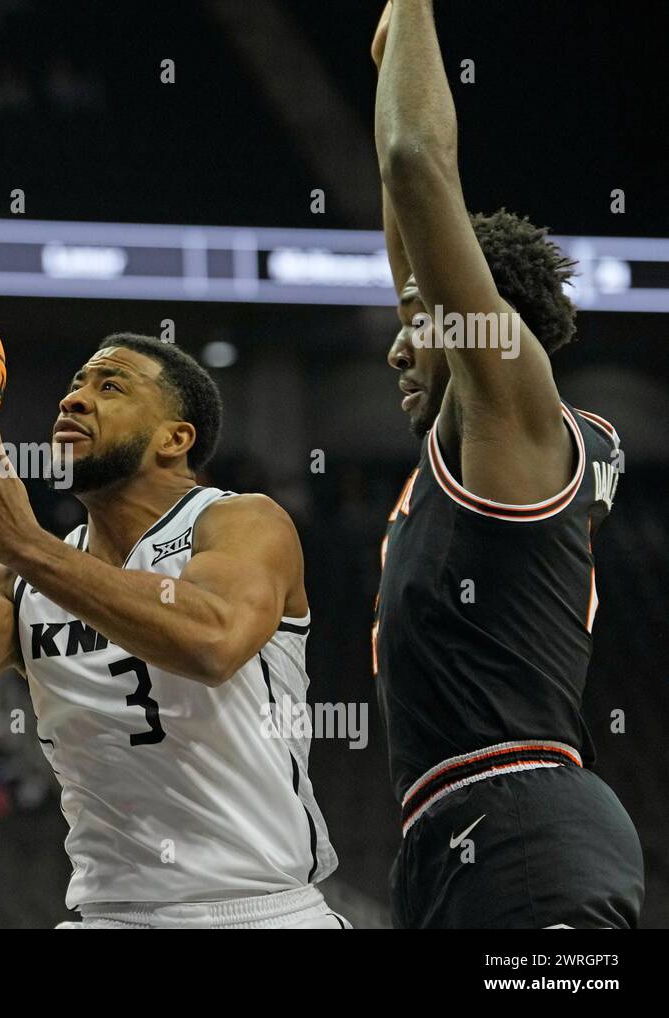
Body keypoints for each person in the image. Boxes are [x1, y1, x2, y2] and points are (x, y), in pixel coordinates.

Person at [0, 328, 346, 929]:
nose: (73, 399)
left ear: (175, 438)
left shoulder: (239, 521)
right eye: (75, 384)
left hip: (263, 913)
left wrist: (29, 546)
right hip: (109, 914)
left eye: (109, 385)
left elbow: (212, 643)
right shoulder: (26, 579)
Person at [370, 2, 643, 928]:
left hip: (524, 826)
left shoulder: (516, 415)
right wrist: (388, 65)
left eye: (418, 325)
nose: (399, 350)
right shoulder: (481, 441)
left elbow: (418, 167)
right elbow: (405, 204)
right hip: (455, 835)